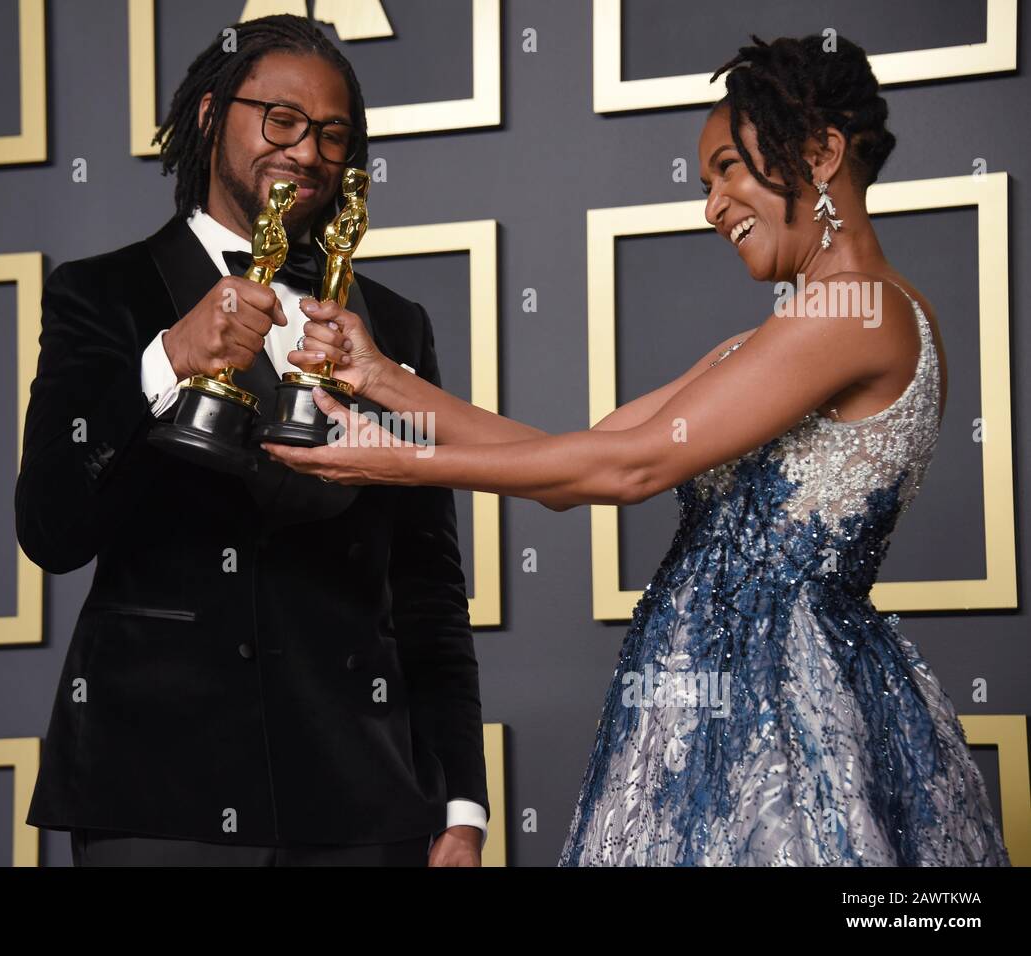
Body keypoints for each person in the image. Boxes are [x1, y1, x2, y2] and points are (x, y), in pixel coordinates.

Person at [266, 34, 1011, 866]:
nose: (712, 205)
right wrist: (382, 380)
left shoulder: (857, 310)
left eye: (729, 168)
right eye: (705, 184)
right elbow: (578, 459)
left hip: (776, 724)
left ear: (824, 152)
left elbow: (629, 469)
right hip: (713, 707)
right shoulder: (784, 335)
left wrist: (400, 463)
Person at [16, 14, 488, 867]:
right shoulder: (101, 295)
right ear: (209, 115)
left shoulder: (391, 325)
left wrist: (461, 799)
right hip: (156, 789)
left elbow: (425, 578)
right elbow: (51, 526)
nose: (306, 153)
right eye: (281, 121)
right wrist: (167, 361)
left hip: (361, 795)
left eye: (332, 136)